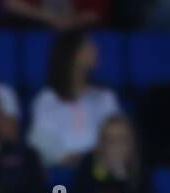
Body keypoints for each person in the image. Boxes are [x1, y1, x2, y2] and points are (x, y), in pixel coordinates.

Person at [27, 31, 123, 169]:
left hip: (100, 170)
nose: (96, 51)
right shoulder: (46, 99)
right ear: (73, 54)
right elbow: (39, 140)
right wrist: (63, 157)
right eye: (88, 47)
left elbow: (117, 134)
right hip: (60, 171)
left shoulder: (105, 97)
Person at [57, 116, 159, 193]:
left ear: (131, 145)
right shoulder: (89, 164)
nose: (114, 147)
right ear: (100, 144)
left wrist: (120, 178)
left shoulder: (139, 172)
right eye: (109, 140)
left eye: (121, 140)